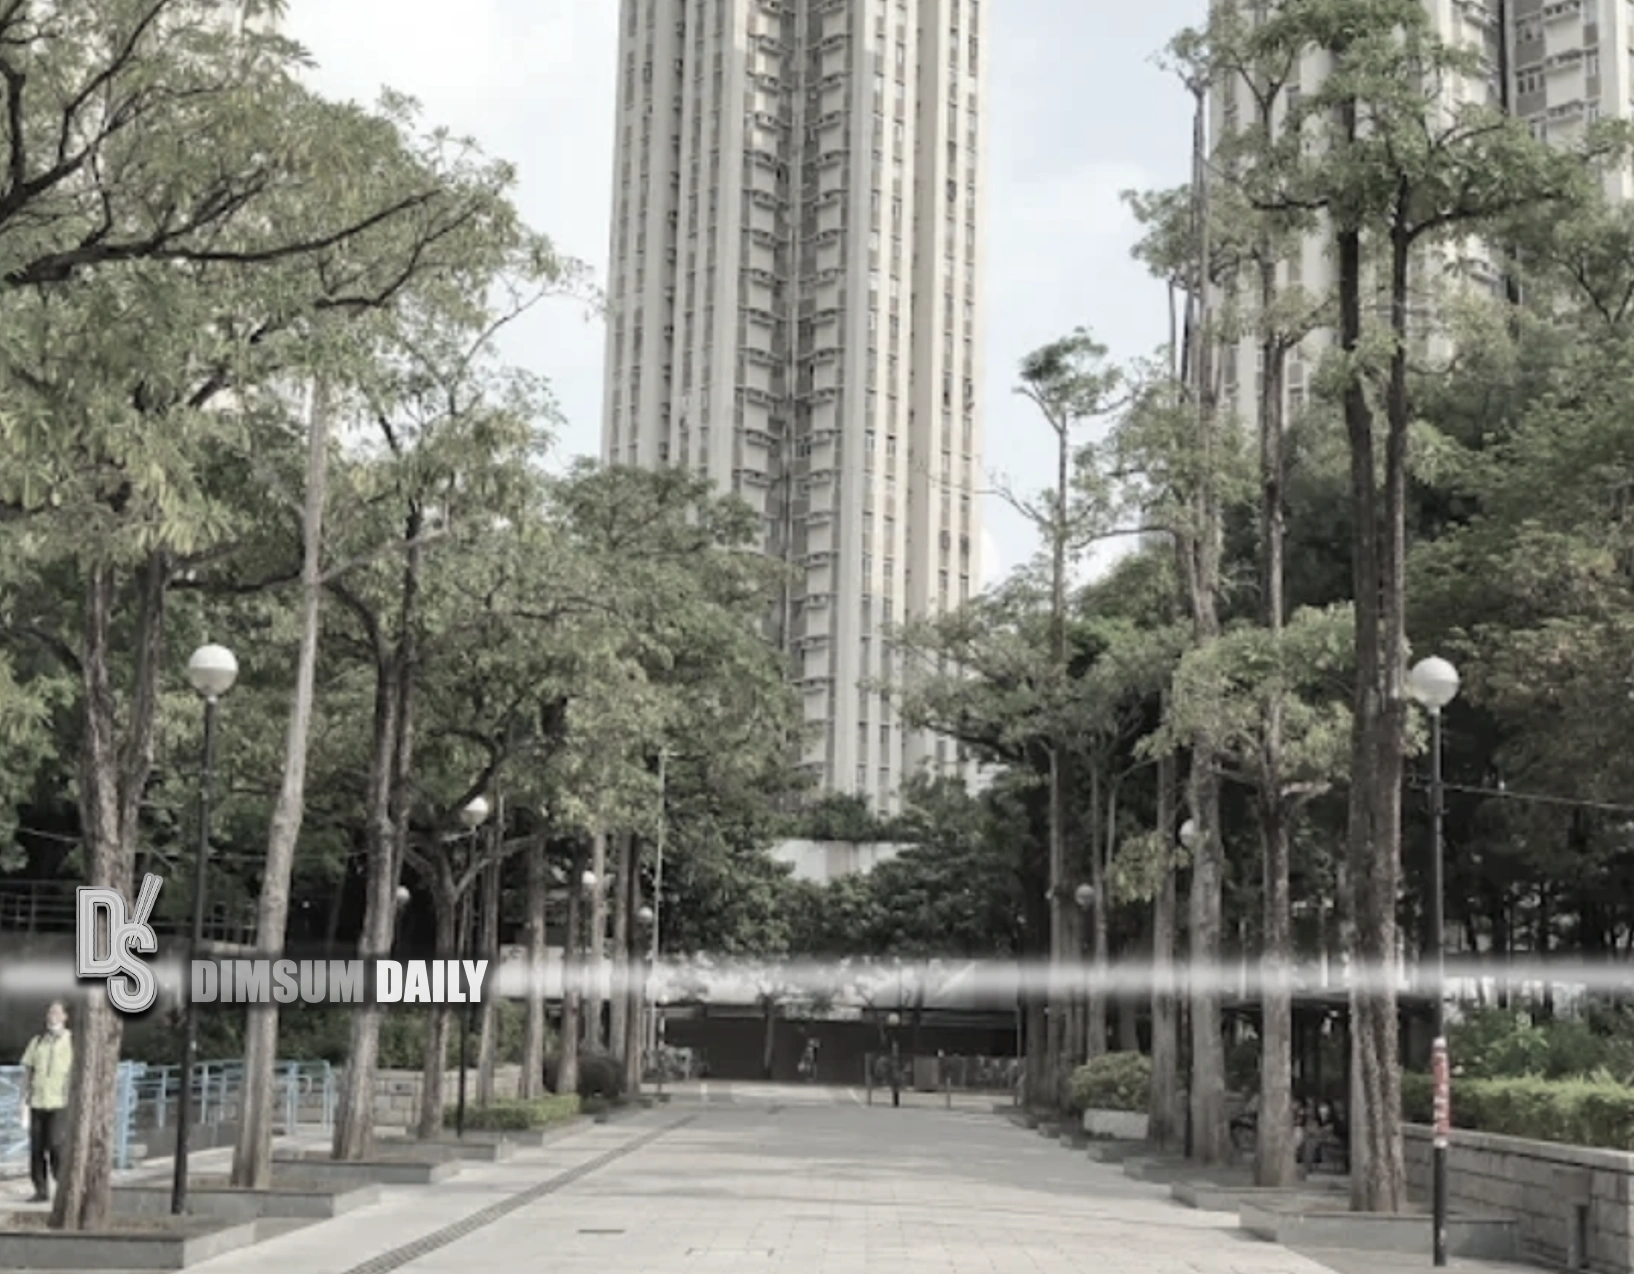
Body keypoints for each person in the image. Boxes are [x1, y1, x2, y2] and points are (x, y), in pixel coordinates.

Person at [20, 1001, 73, 1203]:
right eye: (50, 1012)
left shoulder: (71, 1041)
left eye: (56, 1012)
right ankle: (40, 1190)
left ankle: (62, 1185)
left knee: (56, 1146)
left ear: (65, 1016)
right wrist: (23, 1100)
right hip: (37, 1102)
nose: (52, 1016)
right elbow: (27, 1071)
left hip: (60, 1102)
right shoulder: (37, 1041)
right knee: (36, 1149)